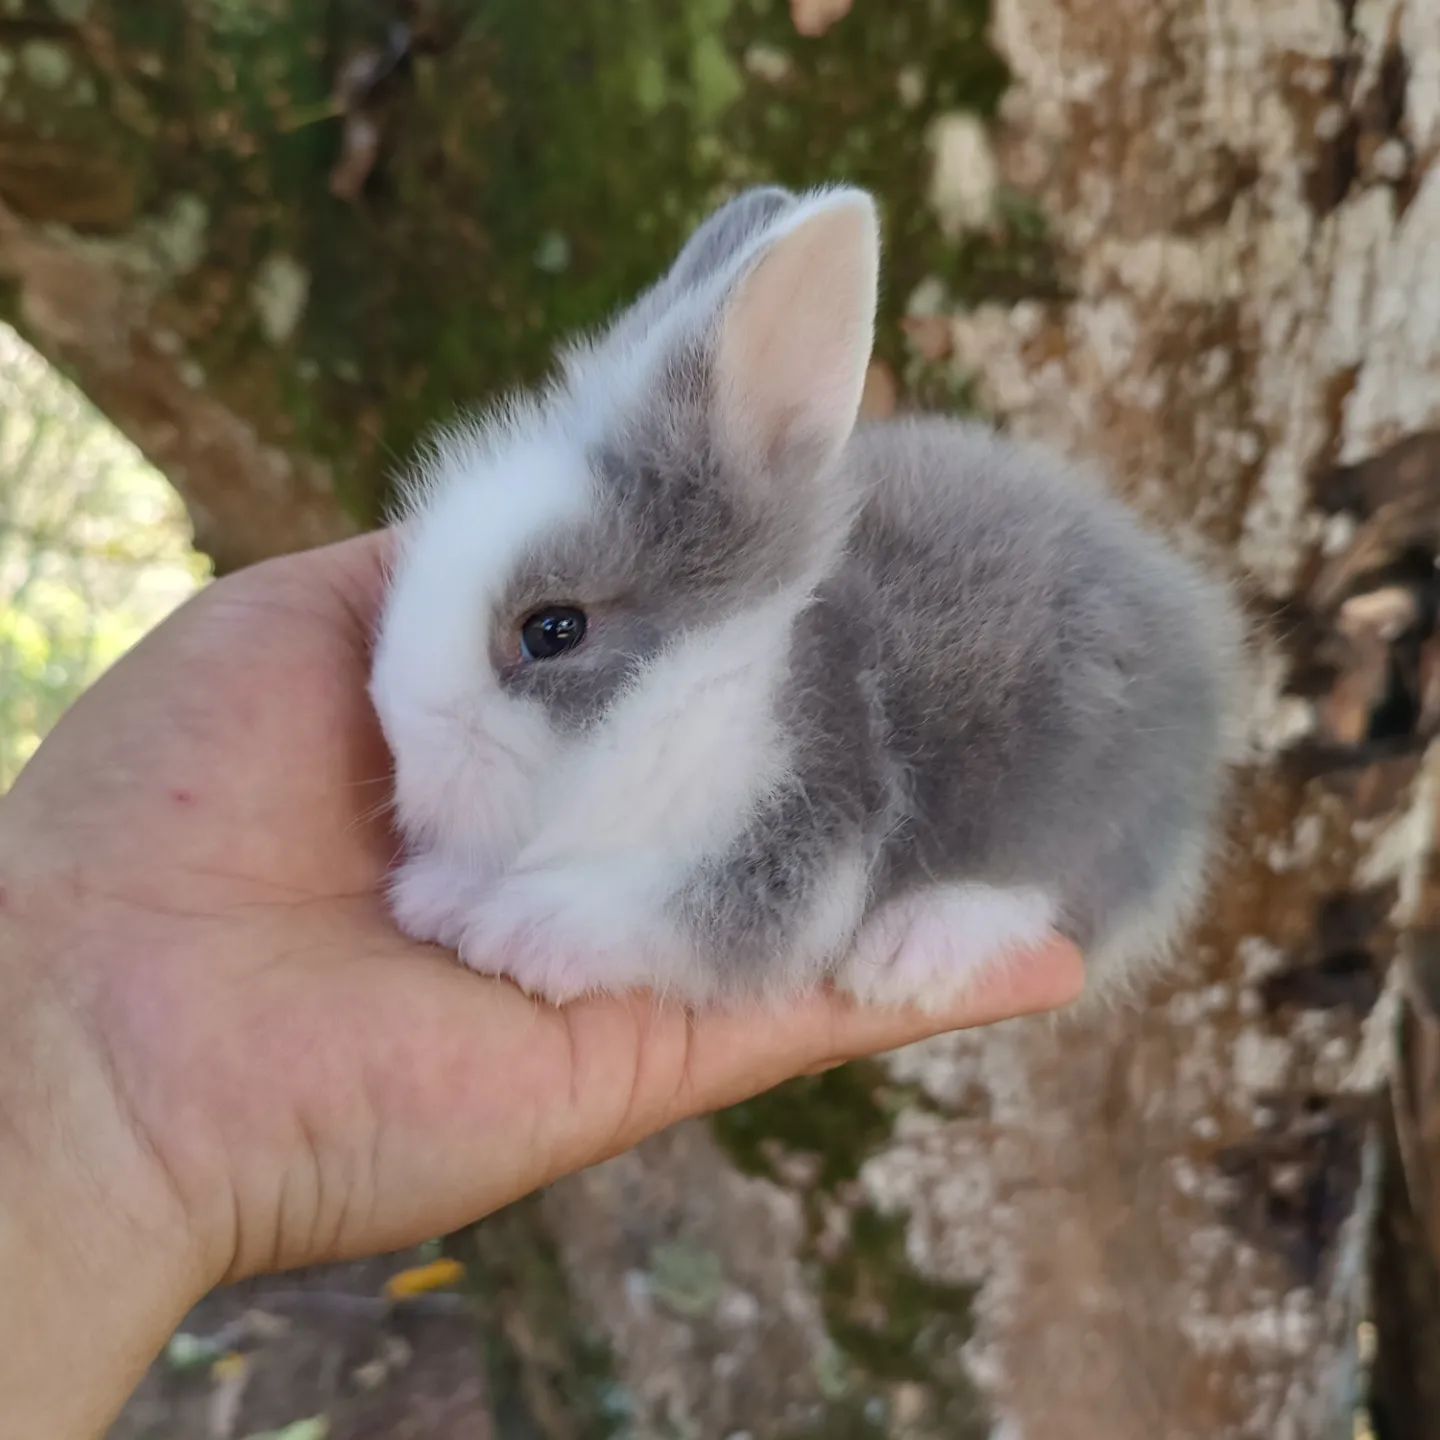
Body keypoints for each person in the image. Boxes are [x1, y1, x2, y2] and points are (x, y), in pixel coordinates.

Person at [0, 532, 1083, 1435]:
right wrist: (86, 1058)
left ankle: (1021, 879)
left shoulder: (786, 686)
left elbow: (791, 883)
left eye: (550, 634)